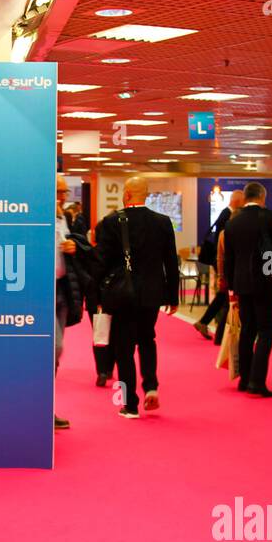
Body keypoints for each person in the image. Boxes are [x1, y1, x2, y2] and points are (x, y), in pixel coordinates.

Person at [95, 176, 178, 418]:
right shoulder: (162, 222)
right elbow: (171, 262)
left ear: (127, 194)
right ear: (147, 195)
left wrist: (97, 295)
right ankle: (151, 386)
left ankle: (129, 404)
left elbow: (102, 262)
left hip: (123, 295)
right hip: (152, 294)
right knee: (147, 339)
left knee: (124, 350)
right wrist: (173, 297)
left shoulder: (111, 221)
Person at [223, 182, 272, 397]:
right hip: (266, 280)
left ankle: (244, 379)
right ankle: (257, 381)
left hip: (242, 284)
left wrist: (231, 287)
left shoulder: (233, 222)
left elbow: (229, 259)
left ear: (245, 197)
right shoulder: (268, 217)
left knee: (248, 330)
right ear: (262, 197)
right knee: (266, 330)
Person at [53, 175, 95, 429]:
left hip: (63, 288)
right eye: (58, 191)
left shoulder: (63, 218)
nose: (62, 197)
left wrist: (72, 247)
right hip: (41, 293)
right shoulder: (36, 217)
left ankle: (47, 408)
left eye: (64, 192)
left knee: (54, 355)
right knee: (53, 348)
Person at [195, 189, 244, 343]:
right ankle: (217, 331)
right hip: (226, 264)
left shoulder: (225, 214)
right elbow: (222, 244)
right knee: (226, 298)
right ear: (237, 201)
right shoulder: (227, 216)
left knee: (223, 297)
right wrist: (221, 272)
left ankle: (205, 323)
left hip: (224, 264)